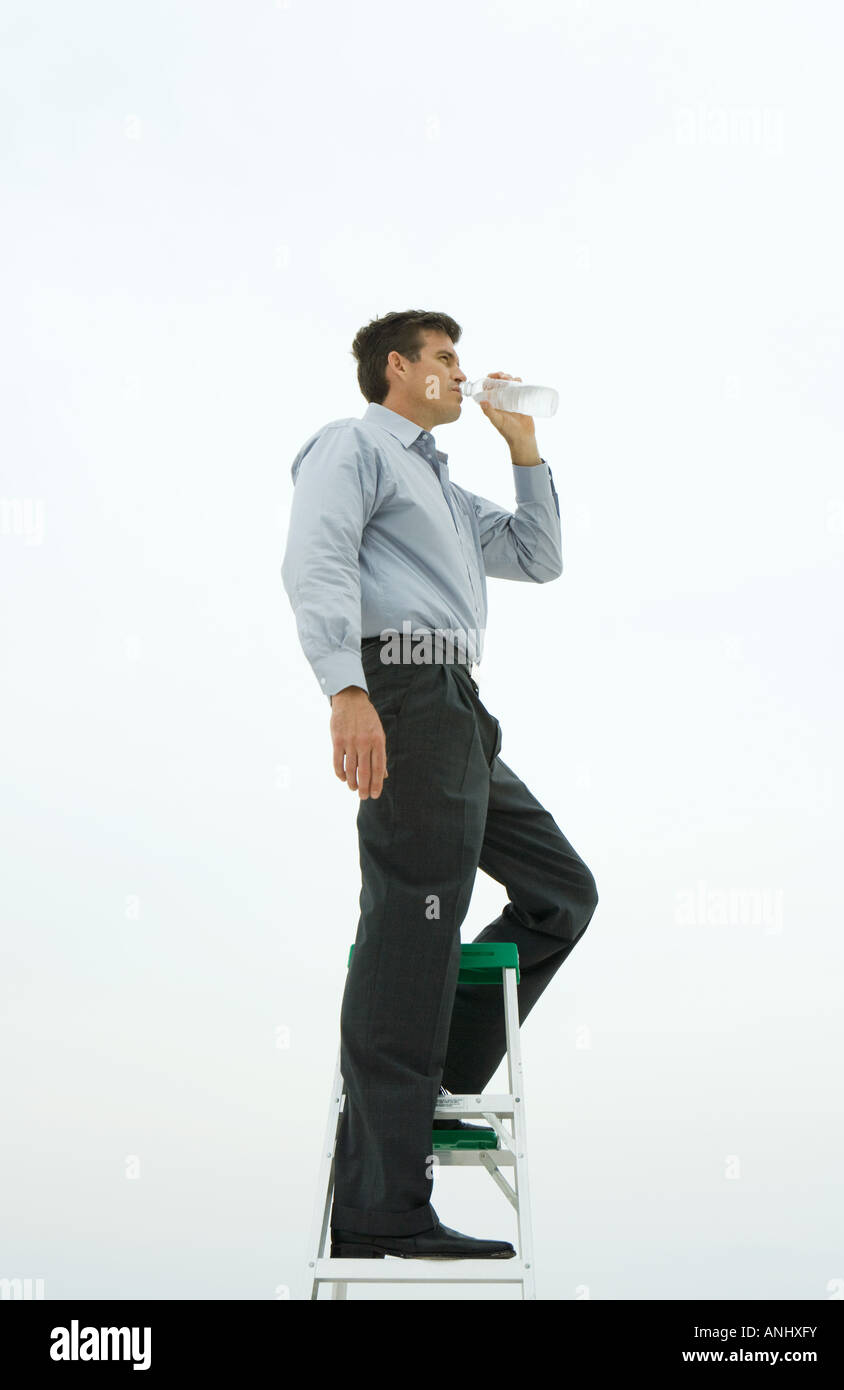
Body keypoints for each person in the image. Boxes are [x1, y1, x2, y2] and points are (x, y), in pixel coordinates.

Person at [281, 309, 599, 1261]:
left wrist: (525, 449)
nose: (461, 374)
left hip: (457, 702)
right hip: (401, 689)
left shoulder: (449, 495)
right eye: (446, 359)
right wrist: (346, 688)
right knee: (413, 916)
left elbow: (539, 559)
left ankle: (430, 1080)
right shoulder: (354, 446)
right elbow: (317, 559)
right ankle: (384, 1199)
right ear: (398, 368)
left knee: (559, 893)